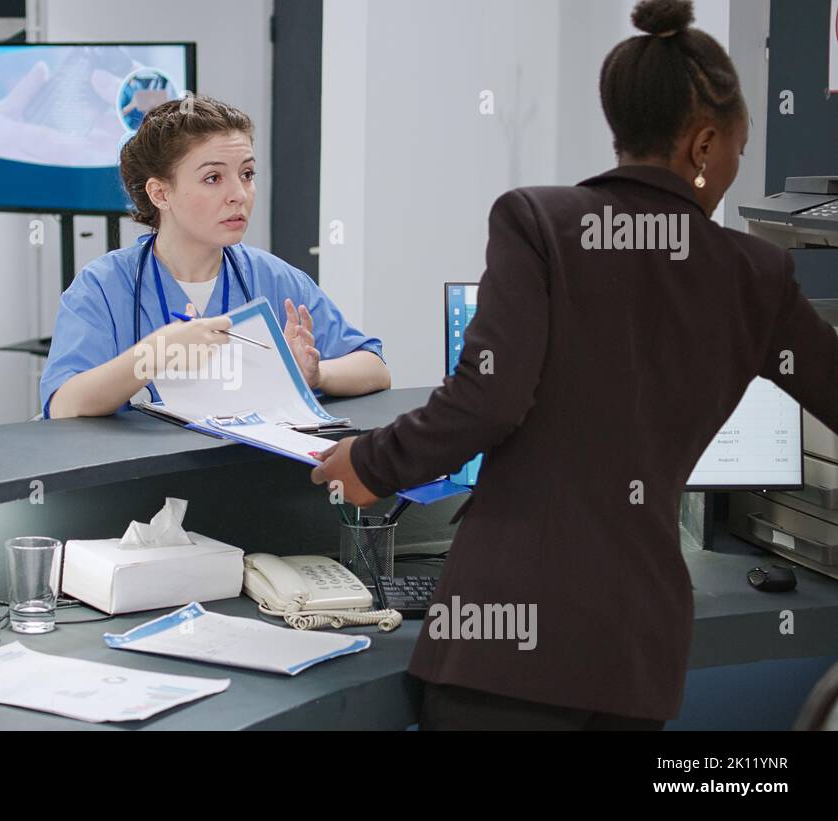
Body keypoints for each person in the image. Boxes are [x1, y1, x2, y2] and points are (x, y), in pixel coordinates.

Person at [312, 0, 838, 730]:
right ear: (705, 144)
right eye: (740, 150)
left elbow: (488, 400)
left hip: (501, 651)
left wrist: (371, 462)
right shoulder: (758, 274)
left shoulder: (539, 223)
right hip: (631, 657)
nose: (735, 167)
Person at [39, 96, 391, 419]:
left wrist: (316, 374)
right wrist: (152, 354)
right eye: (213, 178)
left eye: (247, 174)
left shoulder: (270, 276)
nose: (239, 194)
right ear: (160, 193)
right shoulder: (104, 285)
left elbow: (375, 369)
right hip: (140, 482)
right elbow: (63, 405)